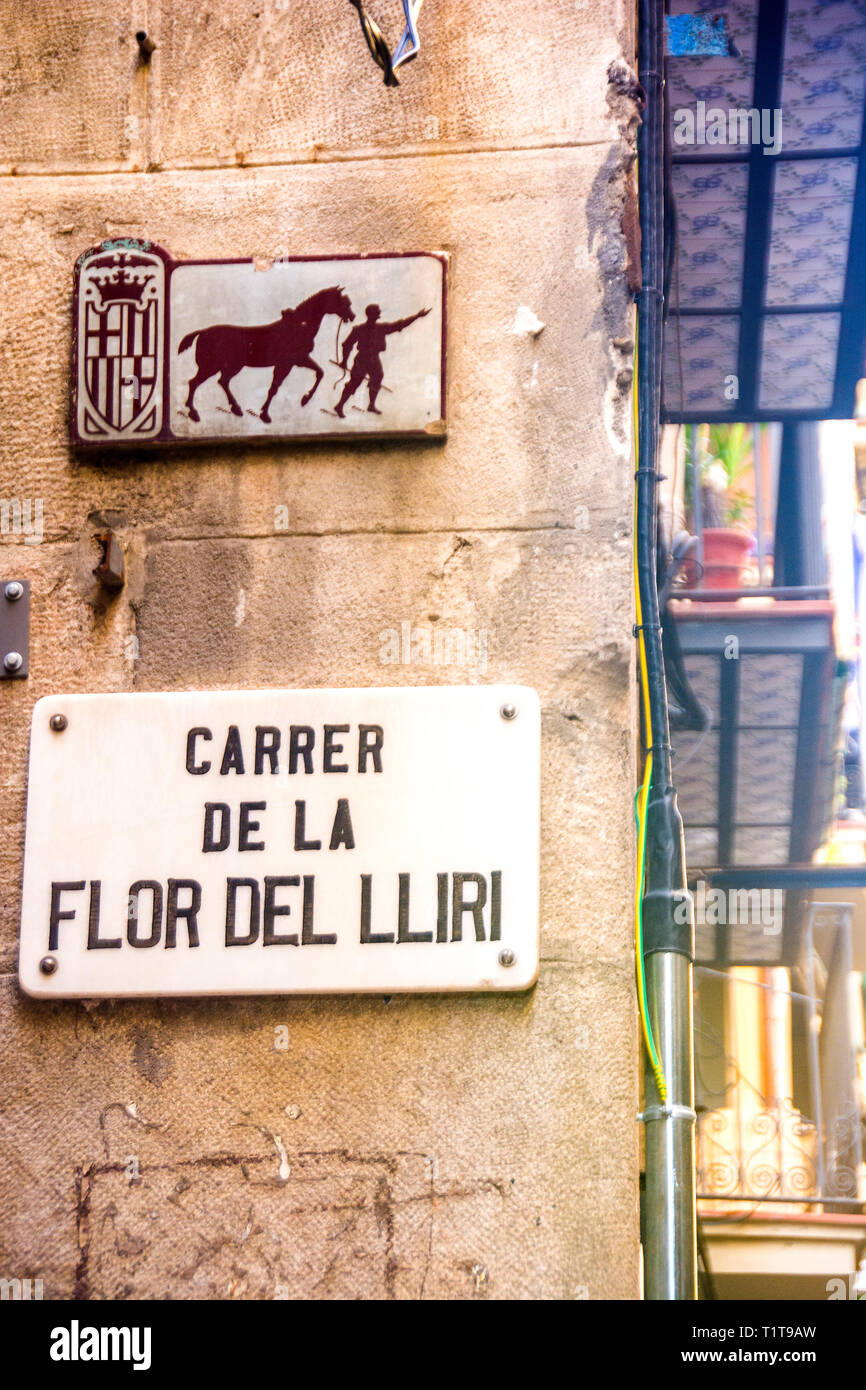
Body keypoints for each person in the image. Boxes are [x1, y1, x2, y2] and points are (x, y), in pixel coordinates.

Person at [334, 303, 430, 416]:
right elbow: (347, 345)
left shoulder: (381, 328)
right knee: (354, 383)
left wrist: (417, 316)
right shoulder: (359, 329)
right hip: (362, 360)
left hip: (374, 359)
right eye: (378, 311)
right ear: (373, 314)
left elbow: (400, 324)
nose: (380, 313)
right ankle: (339, 405)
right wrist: (344, 361)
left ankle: (371, 405)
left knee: (377, 377)